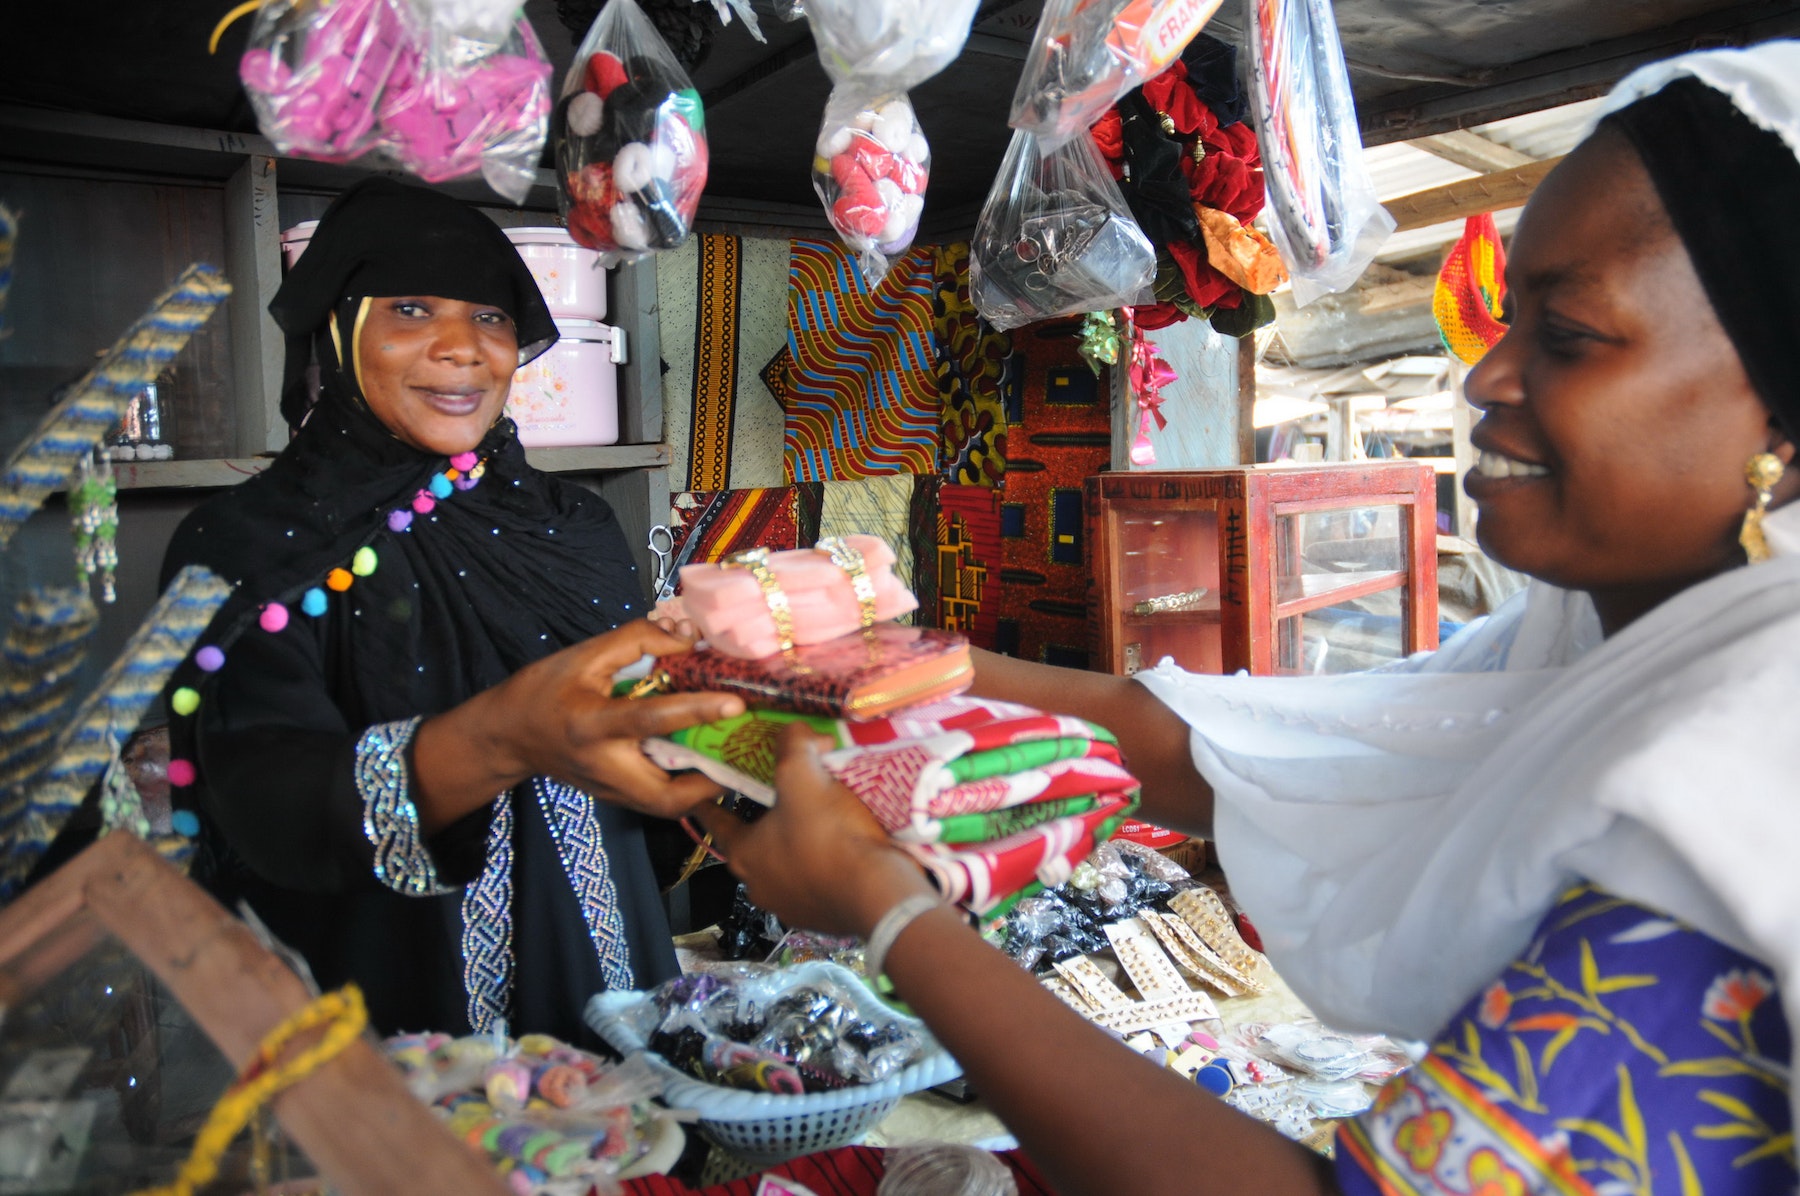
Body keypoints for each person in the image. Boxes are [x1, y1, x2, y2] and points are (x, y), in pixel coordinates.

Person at [687, 43, 1800, 1196]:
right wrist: (874, 657)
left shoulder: (1751, 773)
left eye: (1565, 335)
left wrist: (888, 913)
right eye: (1508, 321)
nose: (1485, 377)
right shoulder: (1598, 649)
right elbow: (1252, 762)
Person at [159, 179, 742, 1047]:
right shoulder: (245, 543)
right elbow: (262, 804)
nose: (464, 349)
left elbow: (641, 741)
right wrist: (501, 737)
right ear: (336, 326)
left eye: (492, 317)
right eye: (411, 309)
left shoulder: (572, 524)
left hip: (606, 961)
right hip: (394, 1000)